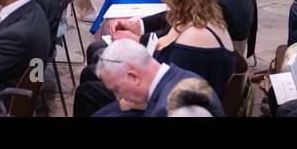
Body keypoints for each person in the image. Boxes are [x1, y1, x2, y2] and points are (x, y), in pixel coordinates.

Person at [91, 37, 221, 117]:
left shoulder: (167, 110)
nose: (118, 98)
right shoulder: (183, 76)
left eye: (116, 89)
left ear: (133, 76)